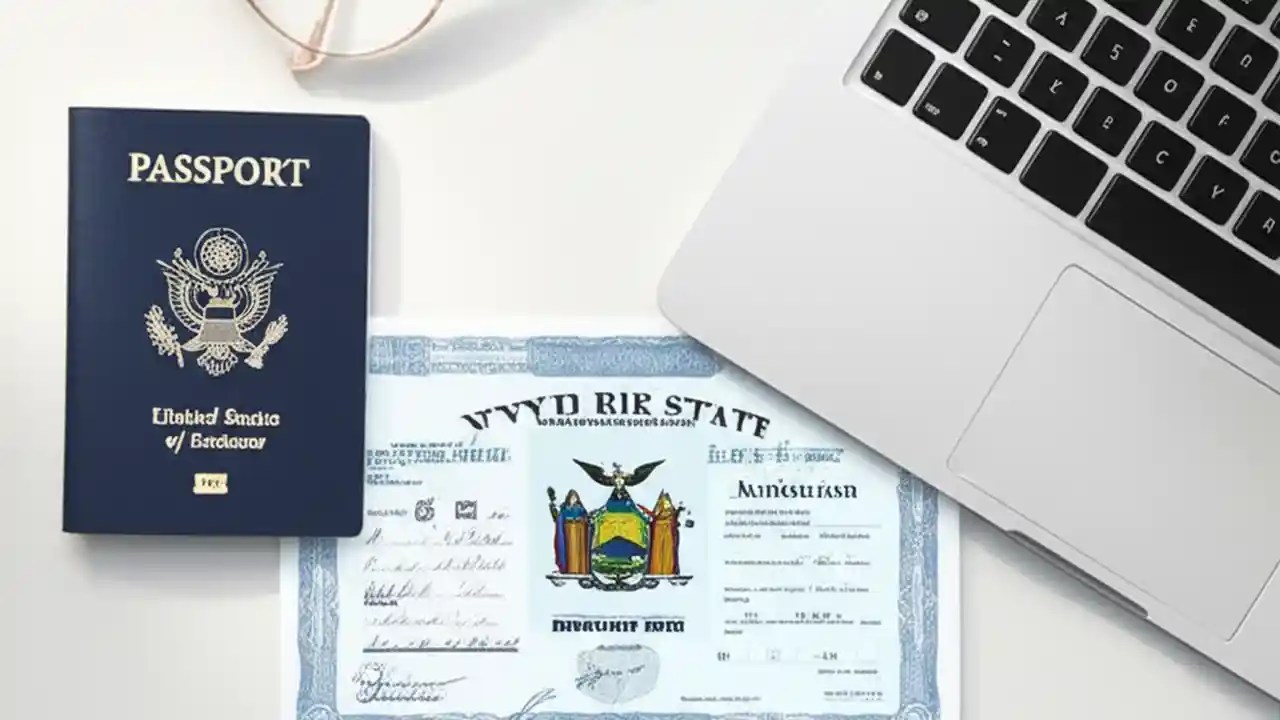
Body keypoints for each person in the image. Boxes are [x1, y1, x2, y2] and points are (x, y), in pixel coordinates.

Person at [549, 489, 591, 575]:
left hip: (579, 532)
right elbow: (559, 517)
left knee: (578, 551)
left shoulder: (580, 508)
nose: (573, 499)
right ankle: (569, 569)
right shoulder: (564, 508)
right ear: (569, 498)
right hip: (568, 532)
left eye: (575, 498)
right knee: (570, 551)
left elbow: (586, 518)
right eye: (572, 498)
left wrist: (583, 520)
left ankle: (580, 569)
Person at [645, 491, 682, 576]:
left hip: (668, 529)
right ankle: (656, 571)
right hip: (659, 529)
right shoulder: (657, 510)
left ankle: (668, 571)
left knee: (668, 553)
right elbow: (653, 515)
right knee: (657, 552)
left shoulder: (672, 512)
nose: (667, 505)